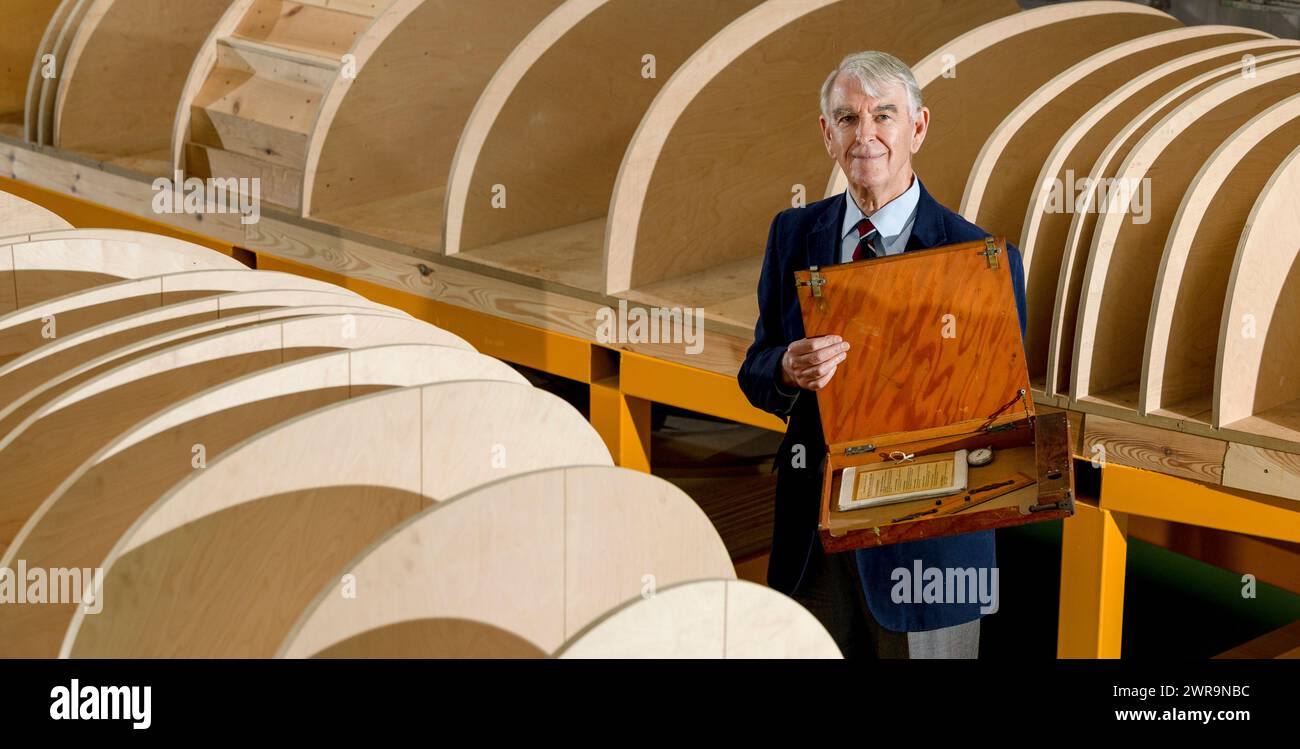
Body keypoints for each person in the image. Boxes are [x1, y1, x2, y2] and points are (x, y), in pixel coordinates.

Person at [738, 50, 1028, 659]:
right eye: (846, 118)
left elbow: (1003, 425)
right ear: (827, 133)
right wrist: (787, 369)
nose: (864, 135)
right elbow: (756, 369)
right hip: (814, 545)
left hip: (927, 555)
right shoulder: (792, 234)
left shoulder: (978, 260)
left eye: (883, 116)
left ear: (917, 127)